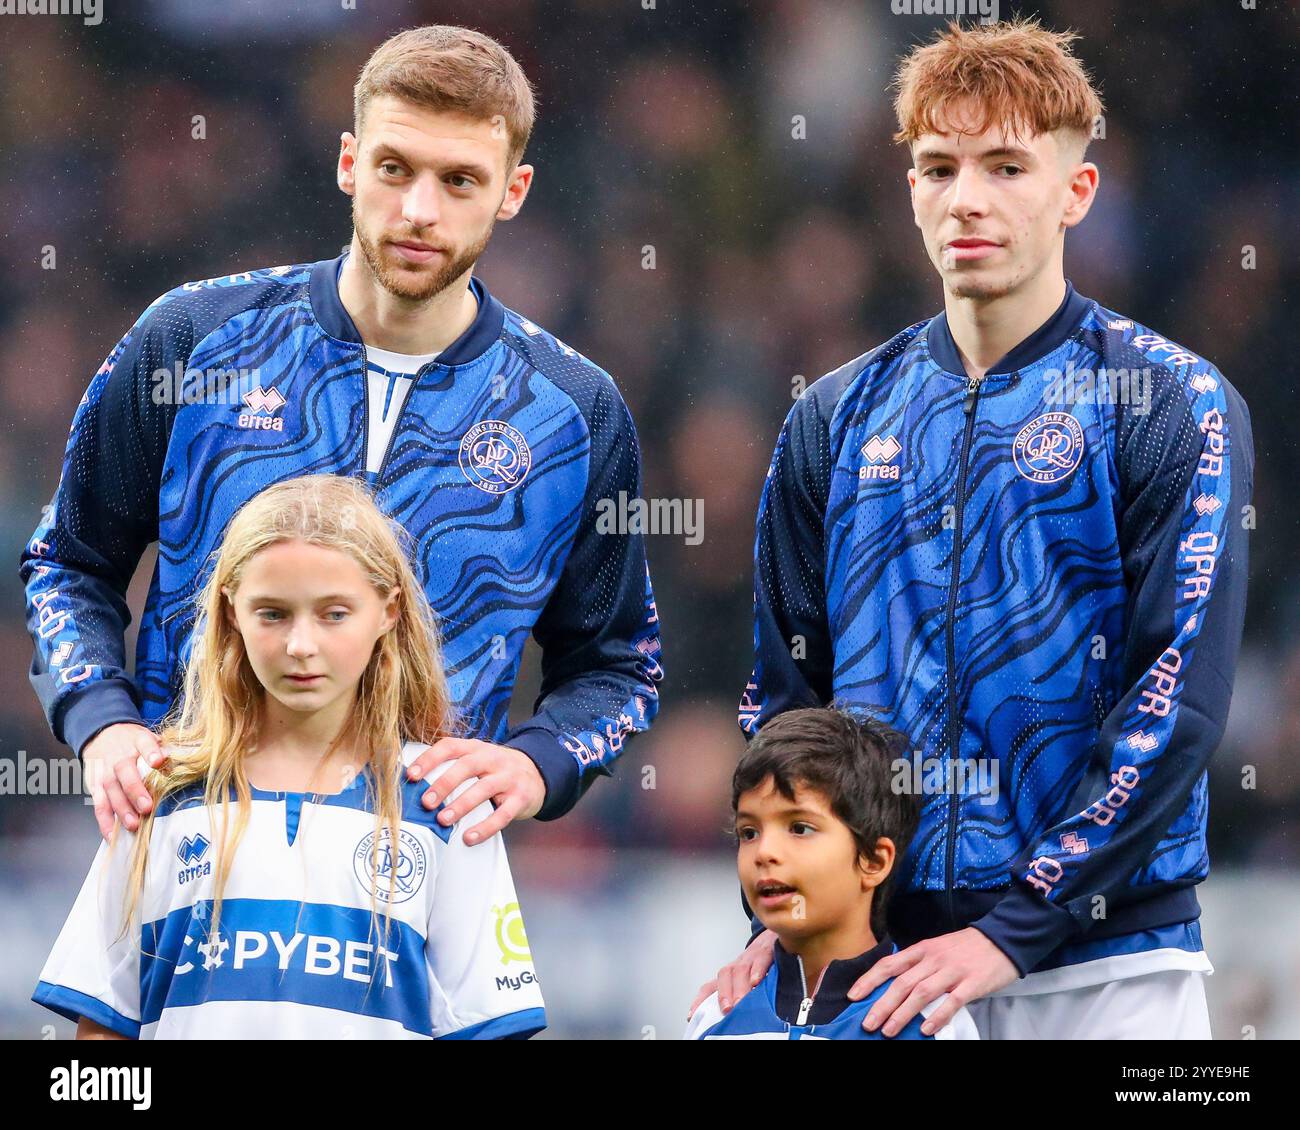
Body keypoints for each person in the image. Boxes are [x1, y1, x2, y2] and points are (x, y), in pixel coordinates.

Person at [698, 18, 1253, 1039]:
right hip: (884, 968)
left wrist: (1013, 926)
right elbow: (789, 699)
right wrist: (779, 911)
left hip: (1106, 967)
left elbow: (1173, 700)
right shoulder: (828, 417)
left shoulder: (1170, 401)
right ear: (907, 188)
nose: (967, 198)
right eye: (937, 166)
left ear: (1075, 192)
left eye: (1006, 165)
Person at [20, 24, 661, 846]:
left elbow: (616, 666)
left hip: (418, 879)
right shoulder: (193, 339)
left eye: (460, 180)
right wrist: (103, 721)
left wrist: (539, 763)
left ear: (515, 190)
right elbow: (69, 563)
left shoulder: (573, 412)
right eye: (396, 169)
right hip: (182, 849)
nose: (420, 210)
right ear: (350, 162)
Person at [34, 475, 546, 1039]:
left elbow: (488, 1029)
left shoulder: (447, 801)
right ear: (231, 612)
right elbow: (100, 1036)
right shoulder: (155, 791)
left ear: (389, 611)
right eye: (273, 613)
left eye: (334, 614)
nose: (301, 645)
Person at [686, 708, 977, 1040]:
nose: (764, 852)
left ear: (874, 861)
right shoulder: (716, 1016)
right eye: (749, 832)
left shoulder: (932, 1024)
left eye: (799, 828)